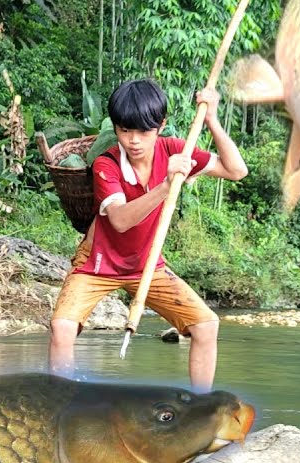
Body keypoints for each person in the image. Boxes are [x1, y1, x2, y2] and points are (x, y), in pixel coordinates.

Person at [48, 78, 248, 392]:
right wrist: (167, 187)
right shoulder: (106, 164)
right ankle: (61, 405)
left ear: (160, 126)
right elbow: (120, 220)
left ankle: (199, 405)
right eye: (125, 131)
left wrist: (211, 120)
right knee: (61, 328)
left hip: (147, 264)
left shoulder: (174, 150)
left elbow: (236, 170)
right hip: (98, 263)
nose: (134, 141)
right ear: (115, 129)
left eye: (143, 131)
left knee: (206, 325)